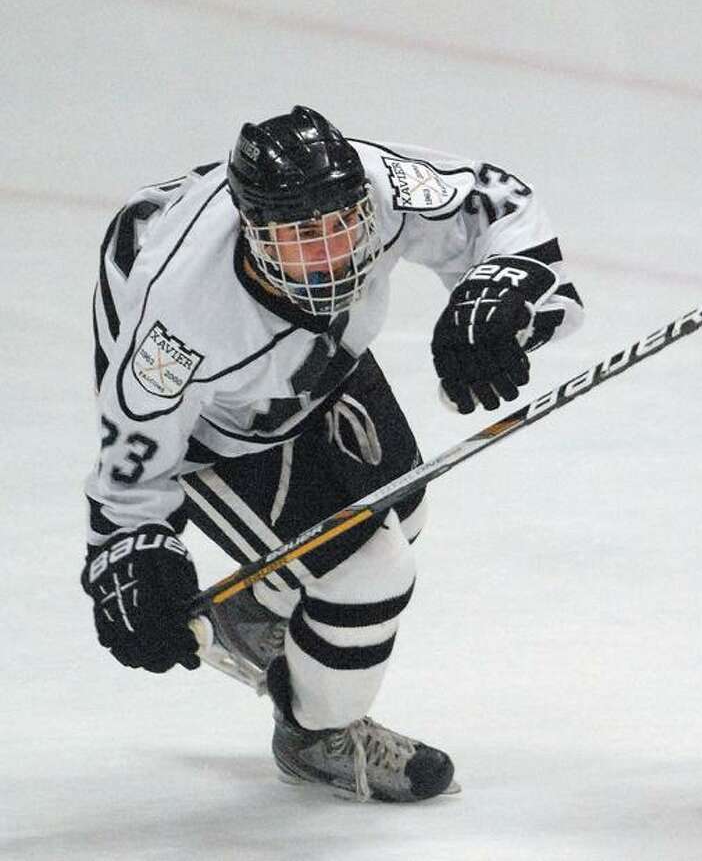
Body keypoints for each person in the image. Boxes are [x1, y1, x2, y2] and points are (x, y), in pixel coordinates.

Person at [82, 105, 583, 802]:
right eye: (299, 237)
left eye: (338, 229)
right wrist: (129, 548)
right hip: (217, 422)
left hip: (321, 365)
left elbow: (494, 201)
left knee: (402, 511)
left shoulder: (373, 185)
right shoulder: (179, 322)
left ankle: (258, 611)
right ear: (253, 229)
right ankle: (319, 731)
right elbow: (133, 456)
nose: (327, 257)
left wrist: (500, 290)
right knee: (369, 570)